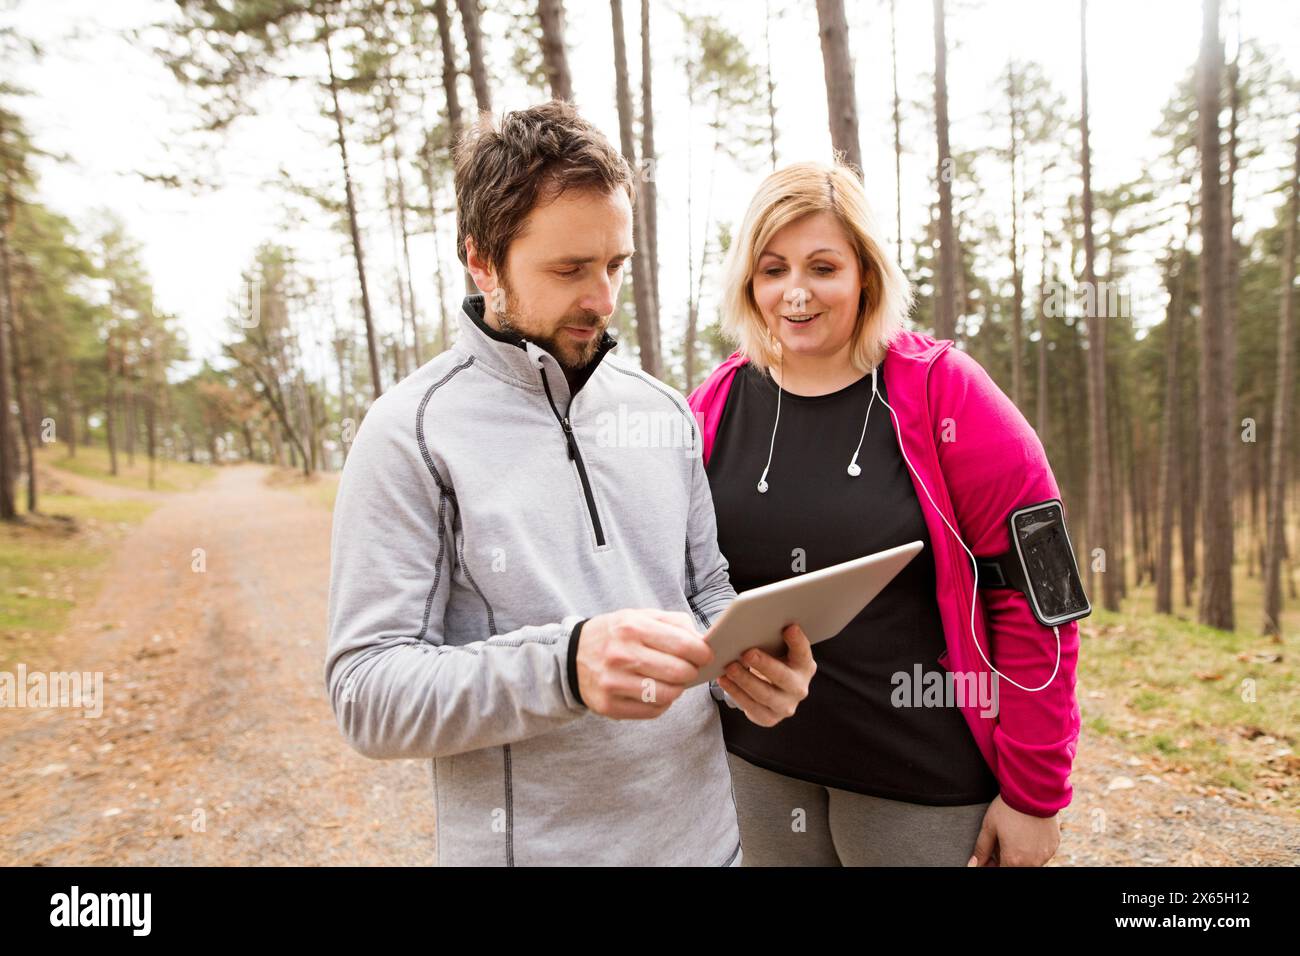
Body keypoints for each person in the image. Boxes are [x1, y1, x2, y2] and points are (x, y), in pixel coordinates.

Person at [324, 101, 814, 867]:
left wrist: (748, 672)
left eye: (614, 264)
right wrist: (563, 667)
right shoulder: (409, 435)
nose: (603, 300)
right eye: (568, 270)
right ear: (482, 260)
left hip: (710, 848)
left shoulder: (663, 412)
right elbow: (367, 696)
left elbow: (706, 592)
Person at [688, 160, 1081, 867]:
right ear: (749, 281)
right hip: (758, 770)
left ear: (865, 274)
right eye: (773, 268)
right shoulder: (713, 405)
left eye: (823, 266)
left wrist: (1035, 793)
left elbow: (1041, 598)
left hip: (921, 783)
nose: (796, 292)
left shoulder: (947, 393)